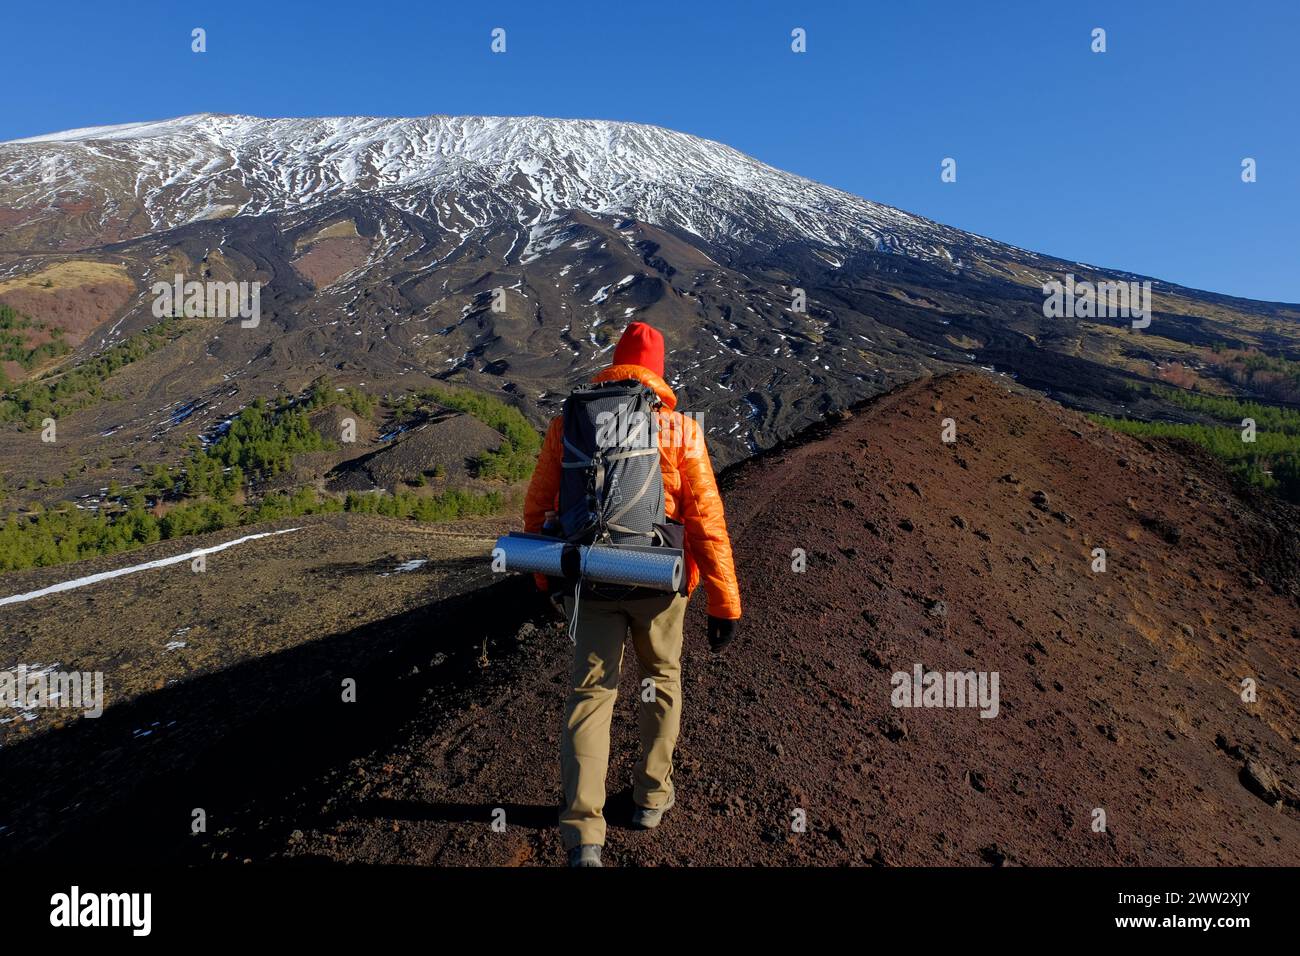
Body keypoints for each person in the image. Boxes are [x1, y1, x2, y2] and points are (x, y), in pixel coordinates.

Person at [523, 321, 742, 867]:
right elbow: (706, 522)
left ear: (614, 365)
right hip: (659, 581)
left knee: (592, 694)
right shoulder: (679, 431)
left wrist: (545, 578)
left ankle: (582, 833)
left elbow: (539, 507)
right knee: (662, 680)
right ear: (658, 374)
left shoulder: (569, 423)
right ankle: (650, 798)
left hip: (592, 575)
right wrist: (723, 603)